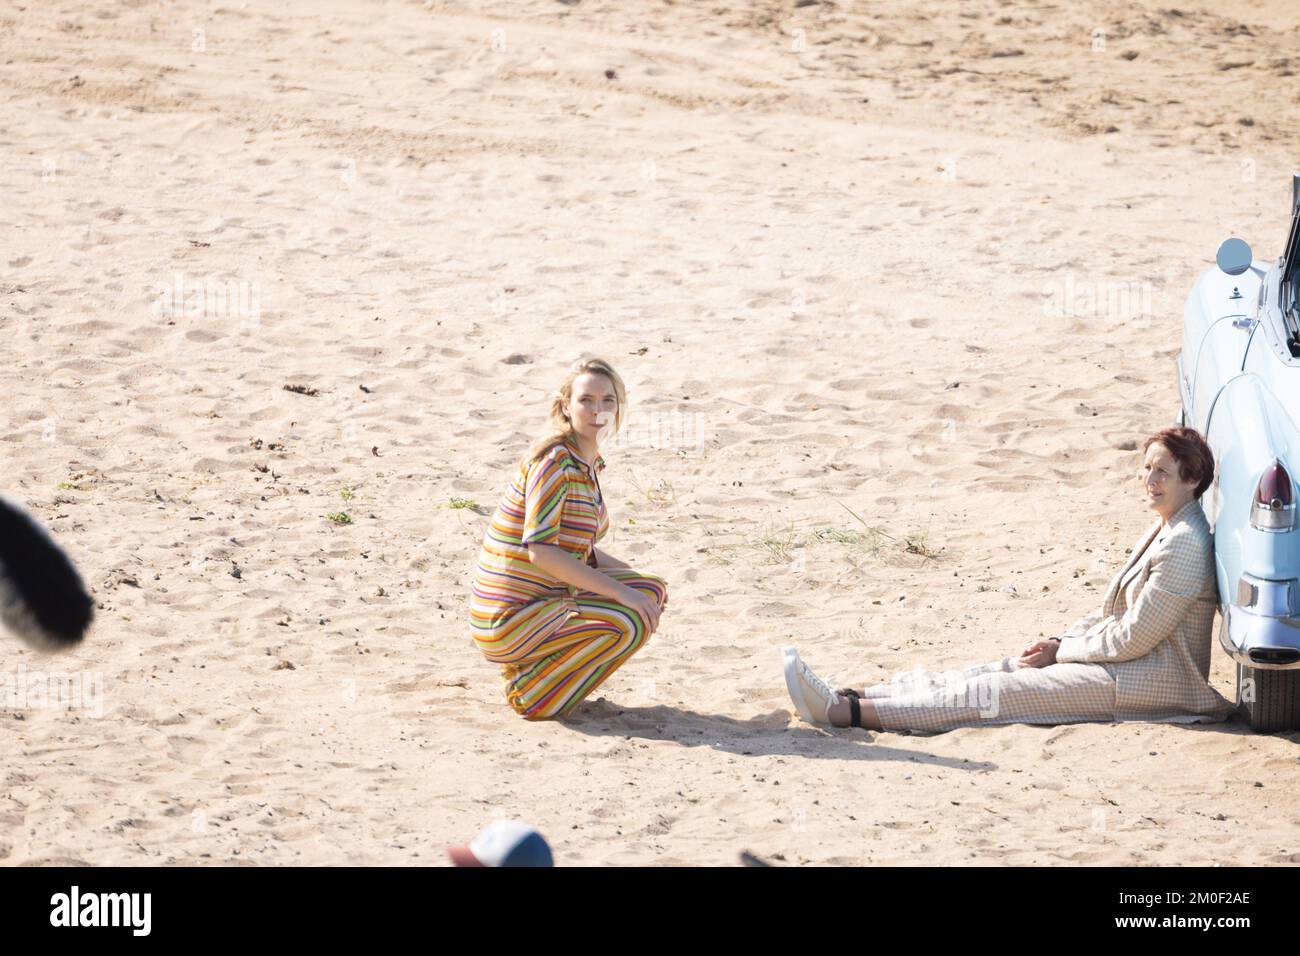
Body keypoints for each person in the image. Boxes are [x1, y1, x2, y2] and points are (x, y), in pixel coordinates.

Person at [783, 426, 1237, 734]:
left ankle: (848, 714)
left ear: (1192, 478)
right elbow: (1114, 617)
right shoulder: (1167, 525)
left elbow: (1134, 639)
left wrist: (1064, 651)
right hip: (1118, 668)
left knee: (995, 694)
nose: (1149, 480)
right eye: (1146, 468)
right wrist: (1060, 641)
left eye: (1162, 471)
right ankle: (854, 694)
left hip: (1145, 684)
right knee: (1000, 669)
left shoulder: (1185, 543)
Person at [468, 357, 668, 720]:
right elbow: (541, 552)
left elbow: (582, 552)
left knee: (651, 592)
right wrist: (621, 592)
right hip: (510, 615)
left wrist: (634, 582)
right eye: (585, 400)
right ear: (565, 406)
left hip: (547, 598)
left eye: (608, 401)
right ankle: (531, 693)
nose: (597, 410)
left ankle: (543, 672)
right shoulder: (555, 463)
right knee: (630, 619)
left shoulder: (587, 462)